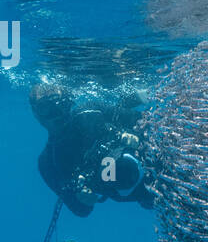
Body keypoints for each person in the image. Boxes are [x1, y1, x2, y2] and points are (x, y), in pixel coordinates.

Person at [30, 81, 157, 217]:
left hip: (155, 161)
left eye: (62, 104)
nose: (57, 114)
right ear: (36, 115)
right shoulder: (48, 162)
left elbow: (146, 122)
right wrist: (82, 199)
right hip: (139, 193)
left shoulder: (91, 111)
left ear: (70, 102)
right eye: (46, 108)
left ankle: (131, 99)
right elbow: (81, 210)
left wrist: (134, 136)